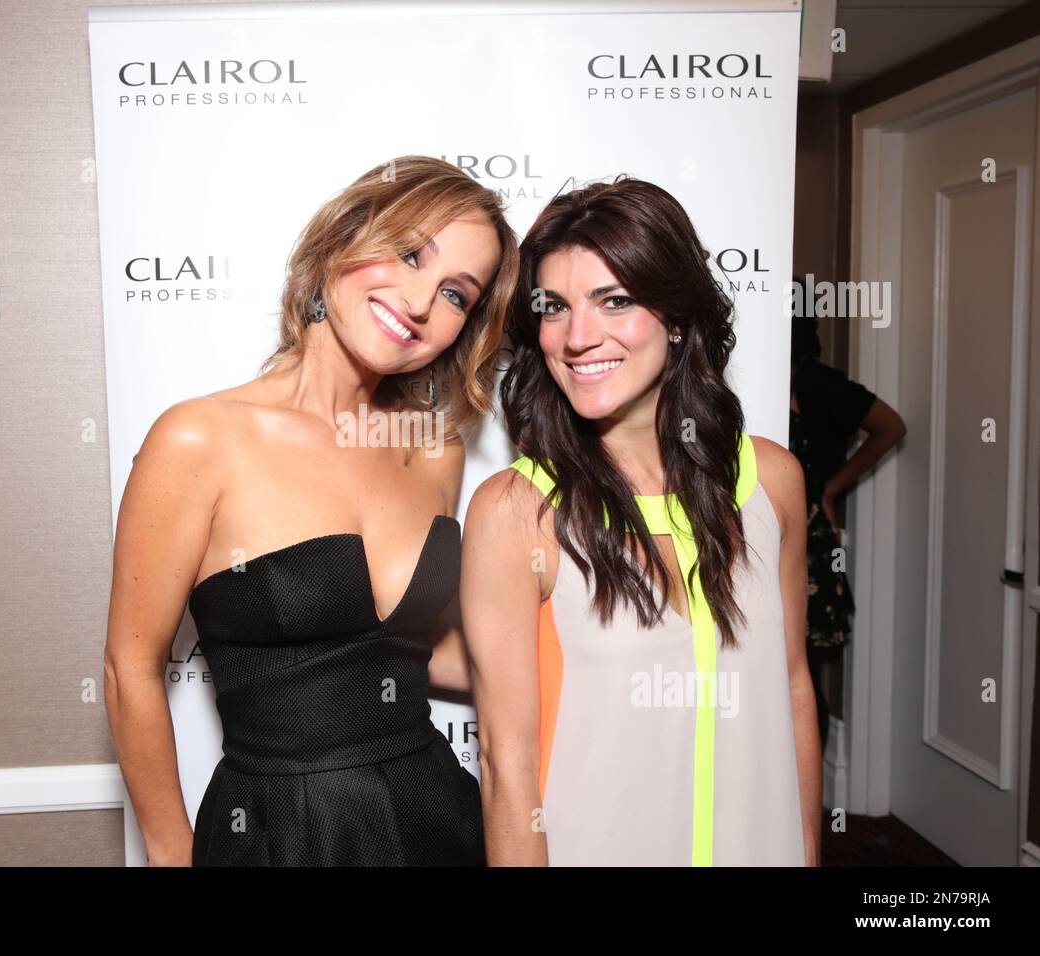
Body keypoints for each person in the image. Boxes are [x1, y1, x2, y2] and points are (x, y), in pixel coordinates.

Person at [103, 155, 519, 866]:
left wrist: (578, 666)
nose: (421, 301)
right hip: (279, 833)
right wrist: (173, 856)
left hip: (437, 818)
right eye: (409, 252)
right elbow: (128, 668)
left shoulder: (433, 449)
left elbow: (402, 649)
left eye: (456, 293)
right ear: (343, 238)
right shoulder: (200, 438)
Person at [462, 177, 821, 865]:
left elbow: (795, 685)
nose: (578, 337)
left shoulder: (771, 481)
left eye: (615, 301)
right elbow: (507, 769)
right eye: (555, 308)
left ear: (678, 317)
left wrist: (806, 850)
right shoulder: (518, 513)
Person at [787, 291, 906, 751]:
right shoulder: (750, 377)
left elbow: (892, 427)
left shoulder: (821, 384)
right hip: (765, 535)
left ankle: (804, 808)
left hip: (810, 543)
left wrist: (833, 488)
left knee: (800, 673)